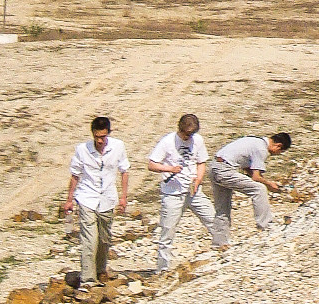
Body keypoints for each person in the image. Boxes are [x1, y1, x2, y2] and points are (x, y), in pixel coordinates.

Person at [63, 116, 130, 287]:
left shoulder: (118, 146)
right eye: (97, 137)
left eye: (103, 137)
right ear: (92, 134)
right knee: (89, 239)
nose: (100, 141)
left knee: (104, 239)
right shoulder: (82, 150)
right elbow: (75, 175)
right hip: (87, 197)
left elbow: (124, 171)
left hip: (107, 198)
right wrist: (69, 199)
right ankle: (87, 278)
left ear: (108, 134)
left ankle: (100, 270)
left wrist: (124, 197)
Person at [146, 113, 215, 272]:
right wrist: (169, 168)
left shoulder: (198, 140)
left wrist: (198, 179)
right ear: (180, 129)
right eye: (186, 134)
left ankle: (224, 251)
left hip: (193, 191)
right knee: (168, 230)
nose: (188, 138)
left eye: (191, 134)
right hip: (172, 193)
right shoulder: (167, 142)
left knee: (212, 219)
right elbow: (151, 164)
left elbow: (201, 162)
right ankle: (163, 269)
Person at [207, 131, 291, 251]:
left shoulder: (254, 140)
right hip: (225, 170)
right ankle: (266, 225)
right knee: (259, 189)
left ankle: (219, 244)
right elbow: (256, 177)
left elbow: (247, 167)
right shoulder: (261, 149)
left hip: (215, 167)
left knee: (222, 208)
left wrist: (266, 182)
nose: (277, 154)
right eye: (280, 152)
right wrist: (268, 184)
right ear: (278, 145)